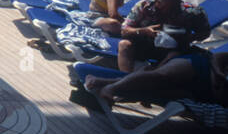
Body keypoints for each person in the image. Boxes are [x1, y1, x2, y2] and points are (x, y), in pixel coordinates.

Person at [85, 48, 228, 111]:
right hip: (201, 67)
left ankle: (102, 81)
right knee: (162, 76)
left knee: (158, 89)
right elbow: (216, 57)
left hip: (204, 94)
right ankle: (112, 88)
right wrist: (219, 72)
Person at [116, 0, 211, 72]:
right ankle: (125, 77)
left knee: (175, 55)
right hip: (145, 42)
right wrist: (144, 31)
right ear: (157, 2)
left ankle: (153, 74)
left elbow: (205, 33)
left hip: (173, 49)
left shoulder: (193, 12)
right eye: (167, 7)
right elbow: (124, 30)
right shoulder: (143, 6)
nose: (172, 11)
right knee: (124, 44)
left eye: (175, 6)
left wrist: (188, 37)